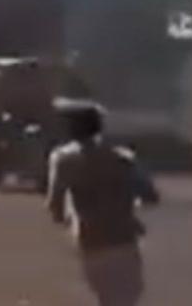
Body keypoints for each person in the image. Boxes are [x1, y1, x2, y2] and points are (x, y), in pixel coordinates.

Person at [47, 105, 160, 306]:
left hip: (90, 238)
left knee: (105, 296)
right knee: (127, 297)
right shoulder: (123, 159)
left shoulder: (64, 160)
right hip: (123, 237)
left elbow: (55, 205)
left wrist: (69, 219)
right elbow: (150, 195)